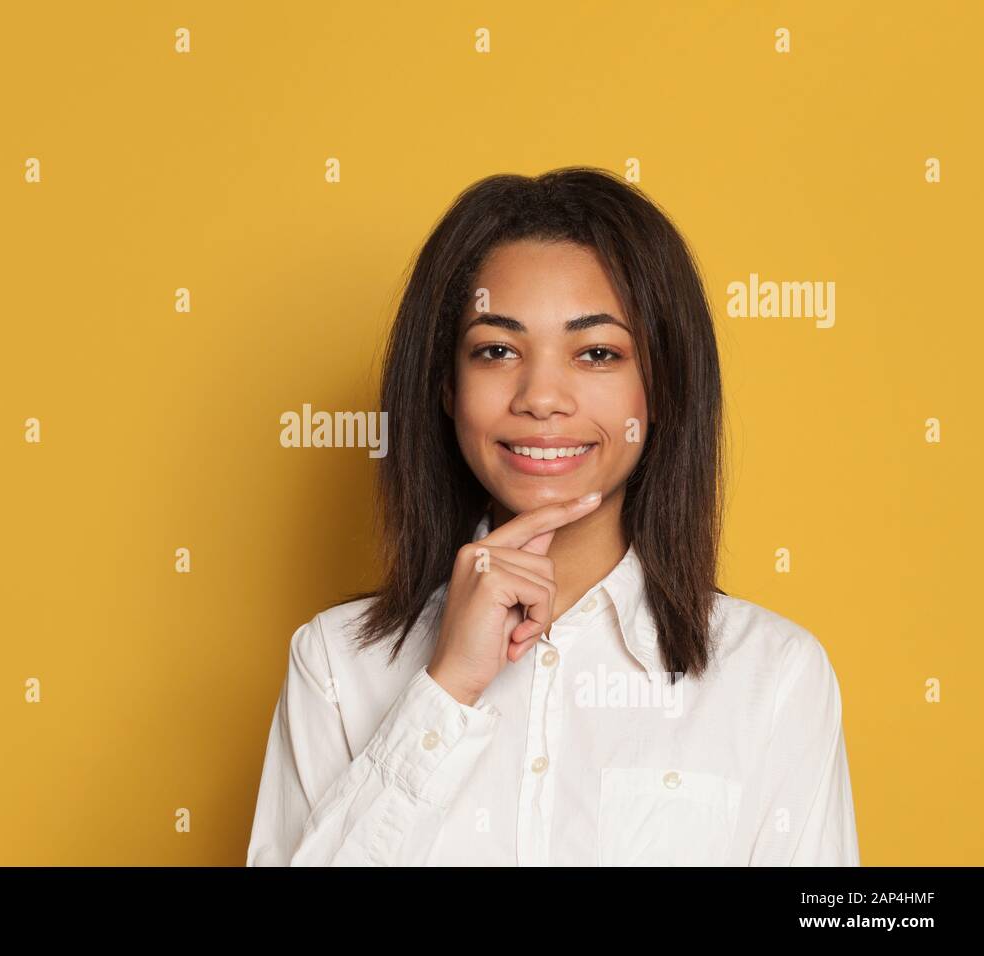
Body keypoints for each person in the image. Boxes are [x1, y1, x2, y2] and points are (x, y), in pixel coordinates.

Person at [245, 167, 860, 866]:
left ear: (660, 388)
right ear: (447, 386)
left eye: (597, 353)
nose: (542, 397)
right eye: (497, 350)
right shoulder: (334, 666)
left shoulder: (773, 678)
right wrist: (446, 690)